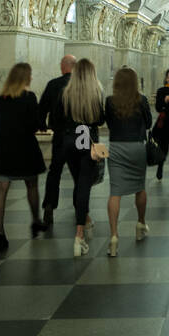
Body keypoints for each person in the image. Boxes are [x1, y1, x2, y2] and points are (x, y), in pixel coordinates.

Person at [0, 62, 47, 252]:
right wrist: (42, 124)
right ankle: (36, 220)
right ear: (25, 78)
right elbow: (33, 124)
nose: (31, 78)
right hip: (25, 149)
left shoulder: (3, 97)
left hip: (5, 149)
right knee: (31, 185)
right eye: (29, 75)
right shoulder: (29, 97)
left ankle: (0, 233)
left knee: (1, 190)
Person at [61, 58, 108, 257]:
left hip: (71, 143)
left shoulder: (67, 93)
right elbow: (100, 119)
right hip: (88, 144)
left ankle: (85, 219)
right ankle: (79, 234)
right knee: (84, 187)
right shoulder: (97, 91)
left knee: (78, 183)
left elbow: (61, 118)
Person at [104, 66, 152, 257]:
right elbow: (148, 124)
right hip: (136, 147)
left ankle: (114, 236)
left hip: (116, 147)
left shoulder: (109, 101)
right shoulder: (141, 100)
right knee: (139, 187)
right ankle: (140, 223)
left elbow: (107, 123)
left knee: (115, 192)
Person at [37, 53, 76, 230]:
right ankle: (81, 208)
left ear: (63, 67)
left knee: (55, 171)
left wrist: (43, 125)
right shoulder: (82, 84)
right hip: (80, 135)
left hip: (60, 135)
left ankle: (49, 206)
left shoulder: (53, 84)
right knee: (81, 172)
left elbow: (42, 108)